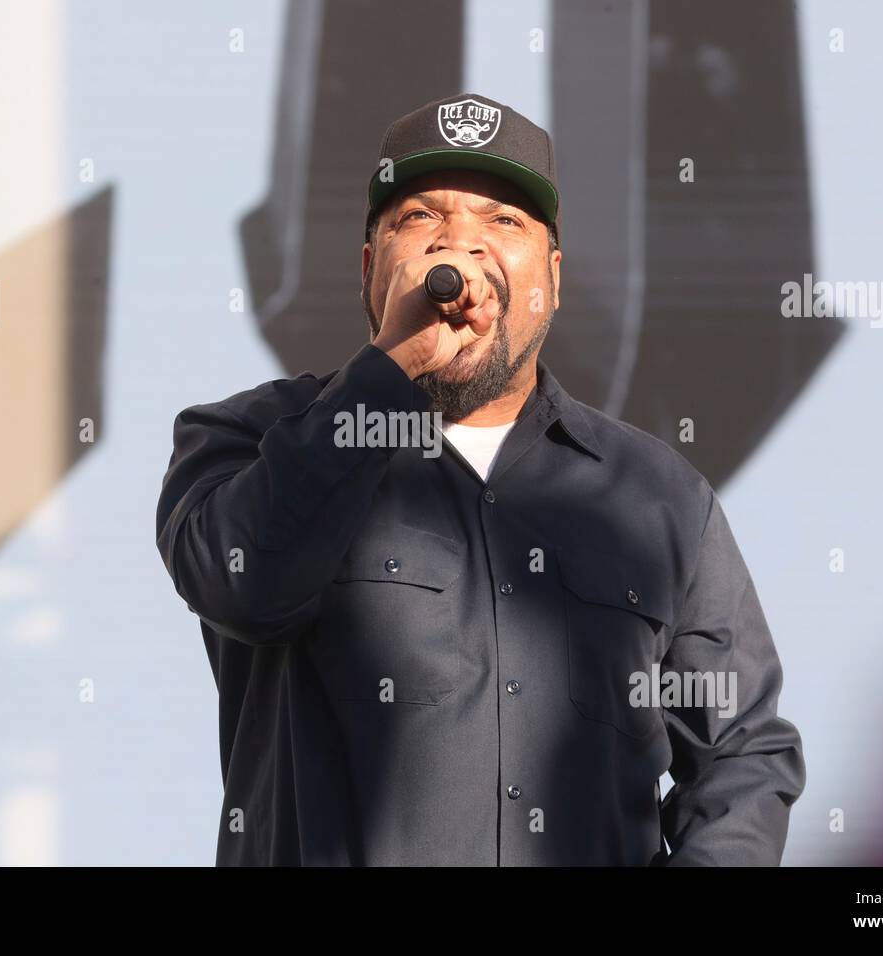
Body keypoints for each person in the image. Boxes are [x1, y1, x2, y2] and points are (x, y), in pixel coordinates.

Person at [155, 92, 805, 865]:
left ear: (553, 279)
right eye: (422, 218)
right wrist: (387, 376)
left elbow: (741, 750)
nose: (460, 248)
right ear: (372, 269)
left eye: (503, 222)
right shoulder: (246, 439)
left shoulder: (661, 496)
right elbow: (247, 586)